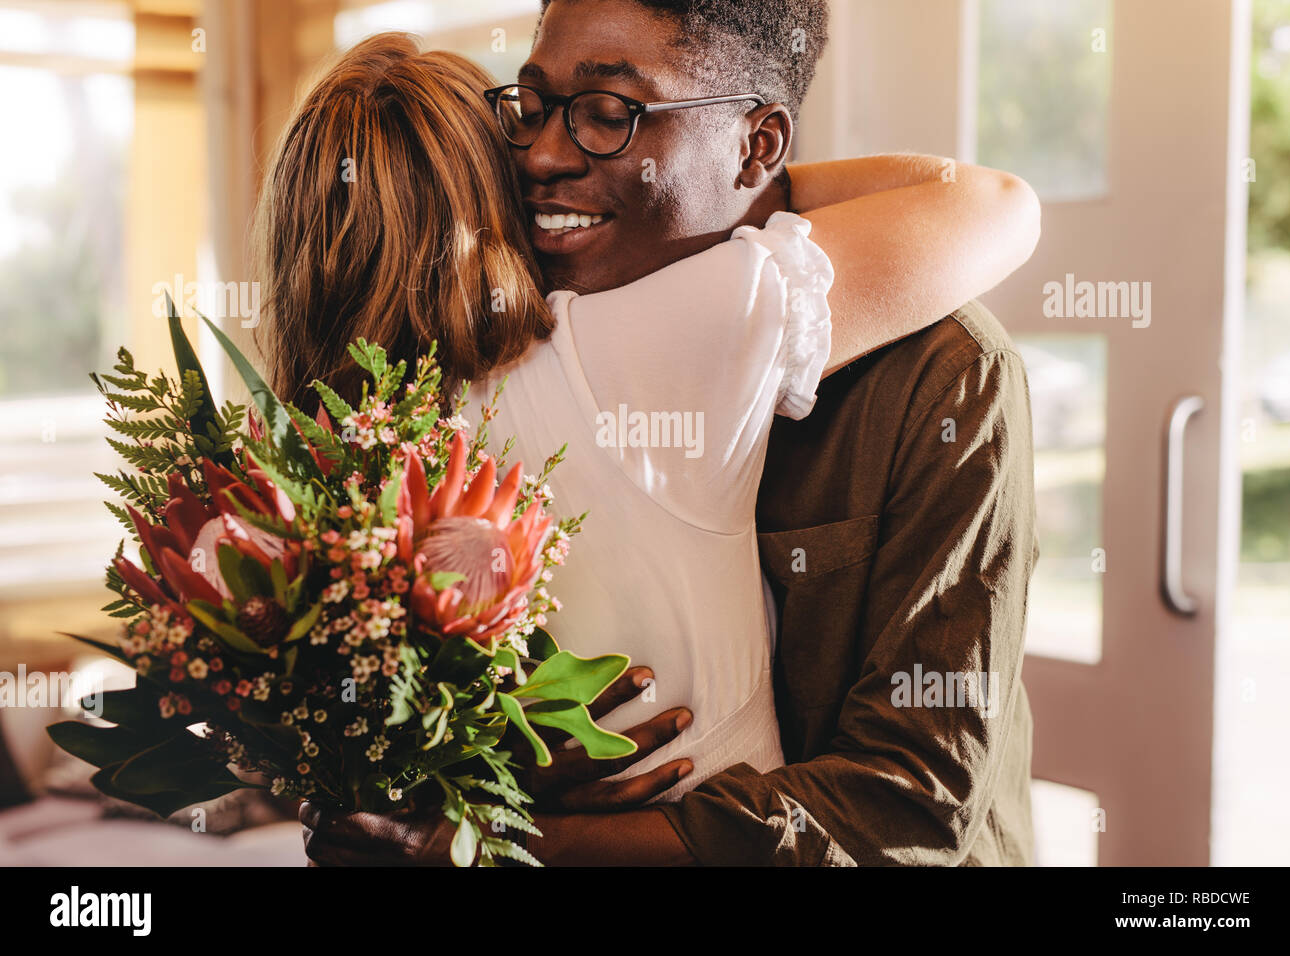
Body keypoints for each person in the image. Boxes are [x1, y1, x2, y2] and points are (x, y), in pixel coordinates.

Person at [287, 0, 1040, 867]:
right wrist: (483, 771)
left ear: (760, 143)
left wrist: (522, 838)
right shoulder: (513, 355)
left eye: (610, 114)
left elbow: (910, 800)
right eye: (529, 112)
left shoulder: (942, 372)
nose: (541, 156)